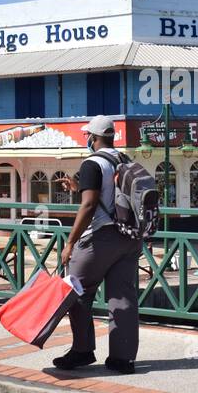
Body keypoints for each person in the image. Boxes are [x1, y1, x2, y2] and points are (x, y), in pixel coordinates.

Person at [52, 115, 142, 375]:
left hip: (100, 238)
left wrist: (70, 242)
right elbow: (109, 195)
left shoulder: (92, 163)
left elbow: (90, 204)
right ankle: (122, 359)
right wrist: (78, 187)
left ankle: (82, 350)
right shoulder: (124, 160)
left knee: (76, 292)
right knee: (122, 297)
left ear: (92, 137)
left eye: (87, 136)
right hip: (129, 237)